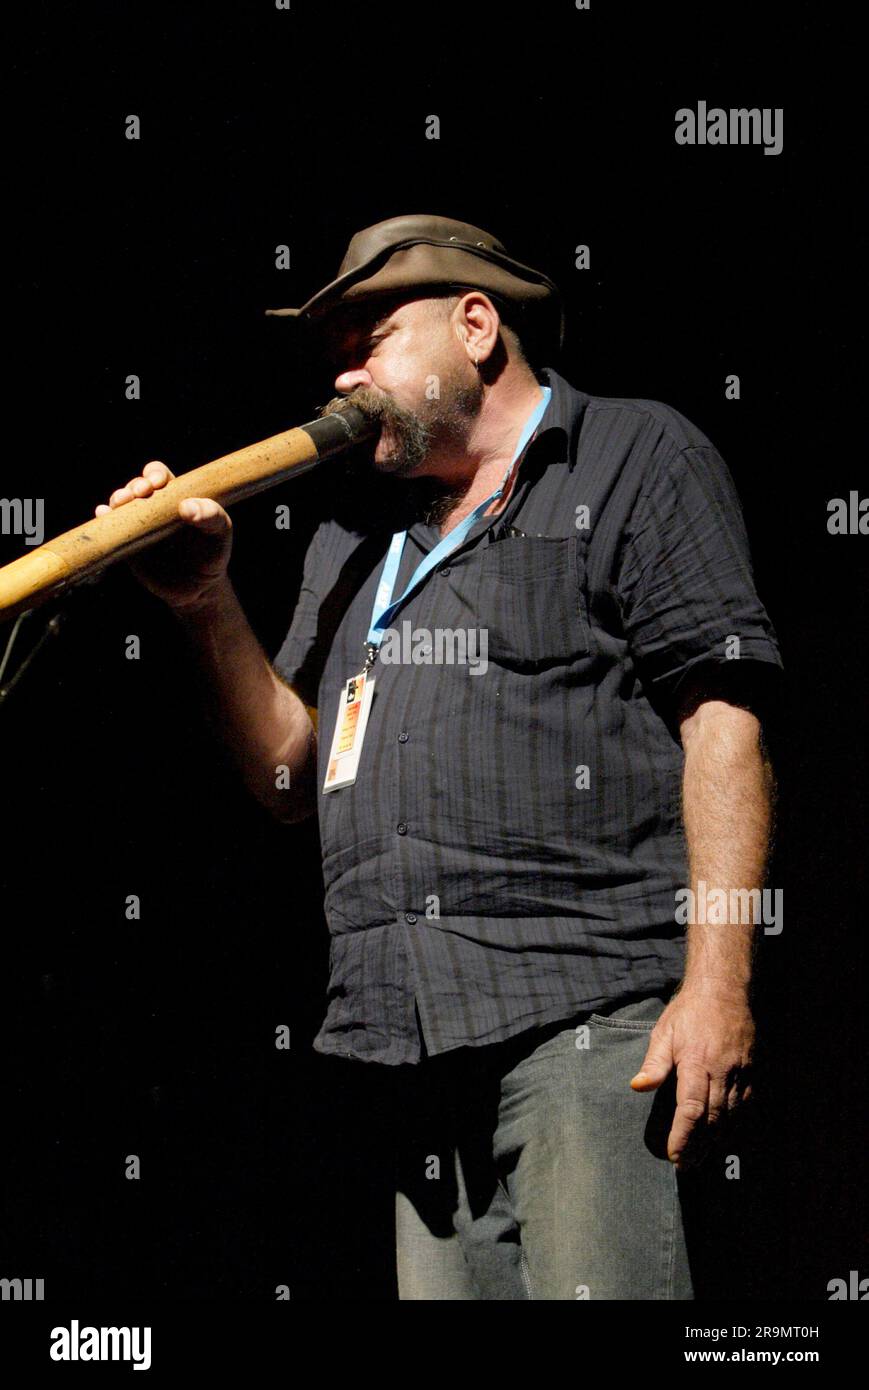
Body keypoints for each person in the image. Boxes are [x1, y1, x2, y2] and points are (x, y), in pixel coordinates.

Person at [96, 214, 783, 1300]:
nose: (341, 372)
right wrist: (200, 600)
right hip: (409, 1061)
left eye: (368, 337)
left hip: (590, 1022)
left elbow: (722, 726)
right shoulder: (355, 541)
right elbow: (285, 776)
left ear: (474, 326)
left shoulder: (632, 455)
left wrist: (718, 982)